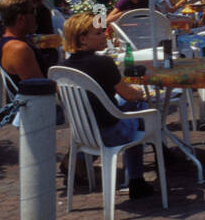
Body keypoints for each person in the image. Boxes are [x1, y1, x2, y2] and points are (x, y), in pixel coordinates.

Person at [60, 13, 155, 198]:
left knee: (127, 108)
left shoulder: (63, 68)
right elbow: (128, 94)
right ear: (83, 39)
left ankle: (78, 158)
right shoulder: (103, 63)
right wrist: (140, 92)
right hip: (110, 133)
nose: (104, 36)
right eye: (98, 33)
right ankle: (136, 180)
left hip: (83, 134)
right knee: (140, 109)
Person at [0, 0, 46, 84]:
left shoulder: (9, 42)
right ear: (21, 19)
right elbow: (40, 88)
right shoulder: (18, 49)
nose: (36, 17)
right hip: (38, 98)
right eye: (33, 12)